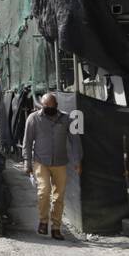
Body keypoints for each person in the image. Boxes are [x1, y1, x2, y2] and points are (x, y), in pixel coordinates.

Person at [22, 92, 82, 239]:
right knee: (44, 191)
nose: (48, 108)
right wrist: (27, 162)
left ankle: (56, 227)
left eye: (51, 105)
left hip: (60, 163)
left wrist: (77, 160)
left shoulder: (66, 118)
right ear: (41, 105)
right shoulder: (34, 118)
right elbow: (27, 142)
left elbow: (75, 141)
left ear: (56, 105)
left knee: (59, 196)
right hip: (40, 162)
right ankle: (43, 221)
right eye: (45, 106)